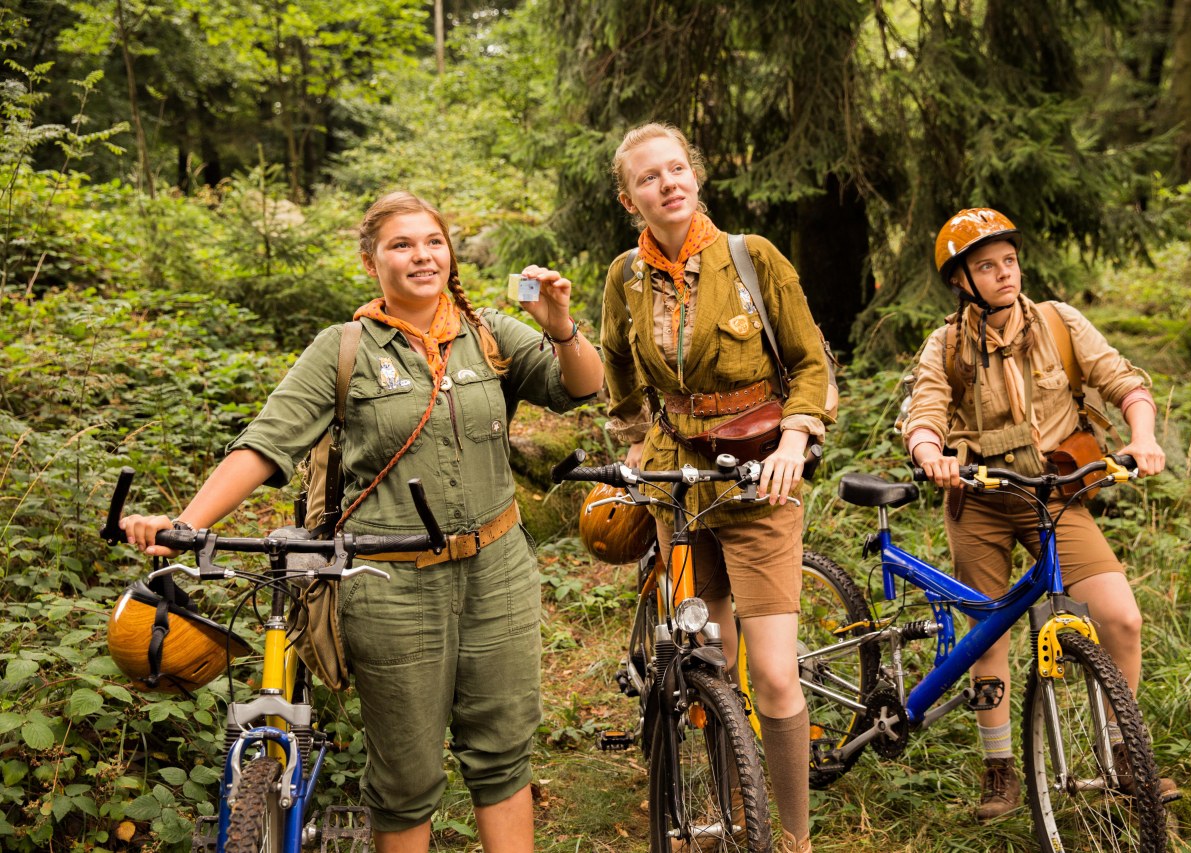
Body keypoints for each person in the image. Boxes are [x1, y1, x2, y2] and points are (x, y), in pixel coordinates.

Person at [120, 190, 604, 853]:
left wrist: (559, 324)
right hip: (389, 584)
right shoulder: (341, 349)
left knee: (503, 758)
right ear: (371, 259)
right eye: (401, 244)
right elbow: (266, 443)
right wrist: (186, 520)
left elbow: (581, 385)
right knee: (405, 775)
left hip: (499, 573)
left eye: (433, 241)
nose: (422, 255)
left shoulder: (487, 332)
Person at [600, 123, 834, 853]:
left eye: (677, 169)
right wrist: (639, 442)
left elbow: (811, 364)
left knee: (770, 669)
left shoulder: (751, 258)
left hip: (759, 474)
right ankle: (738, 817)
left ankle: (790, 836)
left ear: (694, 176)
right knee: (709, 657)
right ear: (628, 197)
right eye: (649, 177)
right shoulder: (624, 277)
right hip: (678, 481)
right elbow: (617, 366)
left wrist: (795, 441)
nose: (667, 183)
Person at [901, 207, 1179, 820]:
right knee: (988, 638)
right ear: (962, 281)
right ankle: (999, 768)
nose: (1005, 274)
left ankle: (1121, 751)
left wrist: (1143, 437)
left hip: (1053, 495)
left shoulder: (1059, 322)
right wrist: (931, 455)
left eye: (1009, 261)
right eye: (986, 266)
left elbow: (1123, 381)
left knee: (1120, 617)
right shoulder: (946, 344)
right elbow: (924, 412)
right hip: (979, 500)